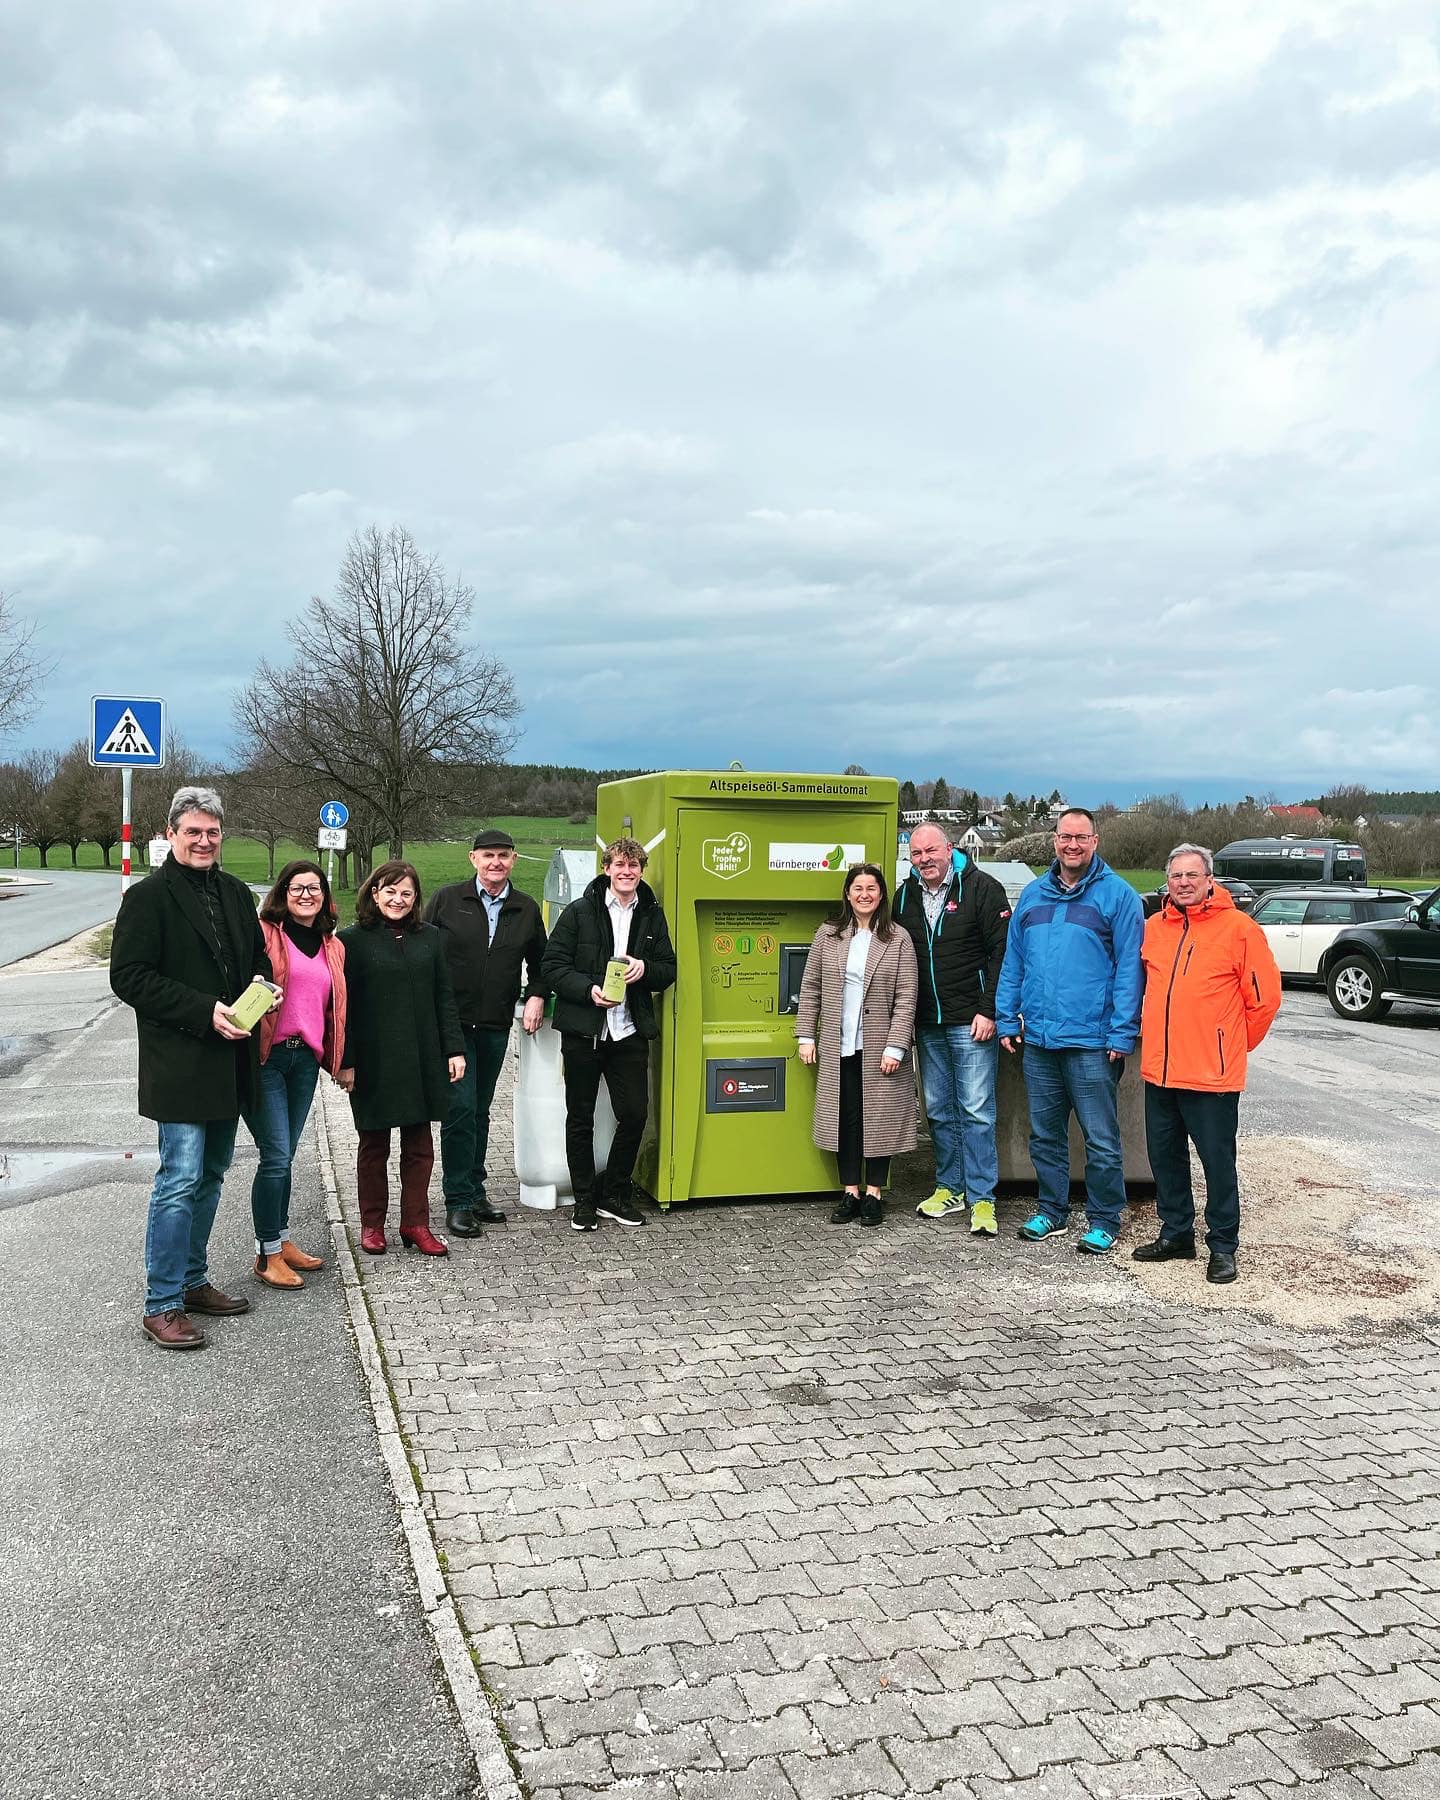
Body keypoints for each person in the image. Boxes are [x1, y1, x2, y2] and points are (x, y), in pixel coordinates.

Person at [110, 785, 272, 1350]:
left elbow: (256, 956)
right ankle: (162, 1303)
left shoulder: (233, 891)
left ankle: (193, 1280)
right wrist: (206, 1011)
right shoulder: (148, 899)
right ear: (171, 834)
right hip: (180, 1060)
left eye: (213, 832)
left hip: (230, 1060)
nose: (204, 841)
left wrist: (259, 987)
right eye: (193, 832)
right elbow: (129, 977)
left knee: (210, 1175)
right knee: (178, 1179)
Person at [996, 807, 1144, 1257]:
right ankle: (1052, 1211)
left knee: (1100, 1137)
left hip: (1092, 1042)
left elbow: (1129, 972)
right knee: (1045, 1134)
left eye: (1081, 837)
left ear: (1095, 841)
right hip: (1039, 1041)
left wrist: (1122, 1033)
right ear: (1055, 841)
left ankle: (1104, 1218)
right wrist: (1006, 1016)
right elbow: (1014, 963)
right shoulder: (1035, 895)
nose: (1072, 845)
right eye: (1065, 837)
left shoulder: (1118, 896)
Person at [1136, 842, 1282, 1284]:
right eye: (1176, 876)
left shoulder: (1239, 929)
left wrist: (1229, 1046)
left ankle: (1223, 1245)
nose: (1183, 883)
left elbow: (1264, 999)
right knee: (1165, 1158)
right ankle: (1177, 1232)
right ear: (1168, 880)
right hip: (1159, 1070)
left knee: (1217, 1163)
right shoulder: (1154, 928)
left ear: (1209, 880)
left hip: (1211, 1073)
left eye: (1192, 876)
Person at [540, 837, 676, 1230]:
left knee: (634, 1114)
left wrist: (644, 969)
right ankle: (584, 1200)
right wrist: (588, 990)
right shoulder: (581, 911)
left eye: (633, 866)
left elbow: (669, 968)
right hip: (584, 1032)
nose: (627, 872)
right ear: (606, 869)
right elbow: (552, 965)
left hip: (629, 1031)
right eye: (619, 865)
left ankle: (613, 1193)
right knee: (580, 1117)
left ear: (641, 870)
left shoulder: (652, 914)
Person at [338, 862, 465, 1257]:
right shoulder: (350, 942)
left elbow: (444, 997)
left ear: (416, 899)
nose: (398, 900)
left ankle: (415, 1223)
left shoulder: (431, 939)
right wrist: (346, 1060)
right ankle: (372, 1225)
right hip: (374, 1059)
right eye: (390, 891)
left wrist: (454, 1049)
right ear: (374, 894)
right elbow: (343, 1009)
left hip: (422, 1055)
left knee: (420, 1145)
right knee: (374, 1146)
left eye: (406, 893)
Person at [424, 828, 547, 1236]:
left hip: (493, 1025)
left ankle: (476, 1192)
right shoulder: (447, 899)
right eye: (488, 855)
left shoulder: (525, 909)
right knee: (459, 1109)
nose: (496, 862)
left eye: (504, 855)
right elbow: (423, 951)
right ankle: (457, 1200)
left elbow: (543, 962)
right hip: (452, 1024)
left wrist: (537, 995)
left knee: (480, 1109)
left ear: (514, 860)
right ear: (472, 858)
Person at [894, 823, 1011, 1235]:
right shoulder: (904, 896)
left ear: (950, 848)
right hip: (927, 1021)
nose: (924, 859)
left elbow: (1003, 952)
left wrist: (989, 1009)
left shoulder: (982, 888)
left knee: (977, 1111)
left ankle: (982, 1199)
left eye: (931, 851)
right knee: (940, 1110)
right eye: (916, 853)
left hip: (972, 1020)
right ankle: (950, 1187)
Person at [243, 860, 347, 1290]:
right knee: (275, 1156)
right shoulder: (265, 934)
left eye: (315, 887)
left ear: (324, 894)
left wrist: (340, 1059)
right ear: (283, 892)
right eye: (297, 887)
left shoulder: (332, 945)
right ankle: (266, 1254)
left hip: (304, 1059)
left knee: (286, 1156)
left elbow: (334, 1007)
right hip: (266, 1058)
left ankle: (281, 1241)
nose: (307, 894)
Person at [796, 863, 918, 1227]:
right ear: (847, 894)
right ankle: (850, 1191)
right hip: (838, 1044)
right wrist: (806, 1034)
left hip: (880, 1047)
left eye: (872, 888)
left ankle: (875, 1194)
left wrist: (896, 1045)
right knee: (844, 1119)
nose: (864, 894)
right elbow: (811, 987)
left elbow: (907, 995)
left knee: (877, 1120)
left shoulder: (897, 938)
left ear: (881, 895)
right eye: (857, 888)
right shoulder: (828, 935)